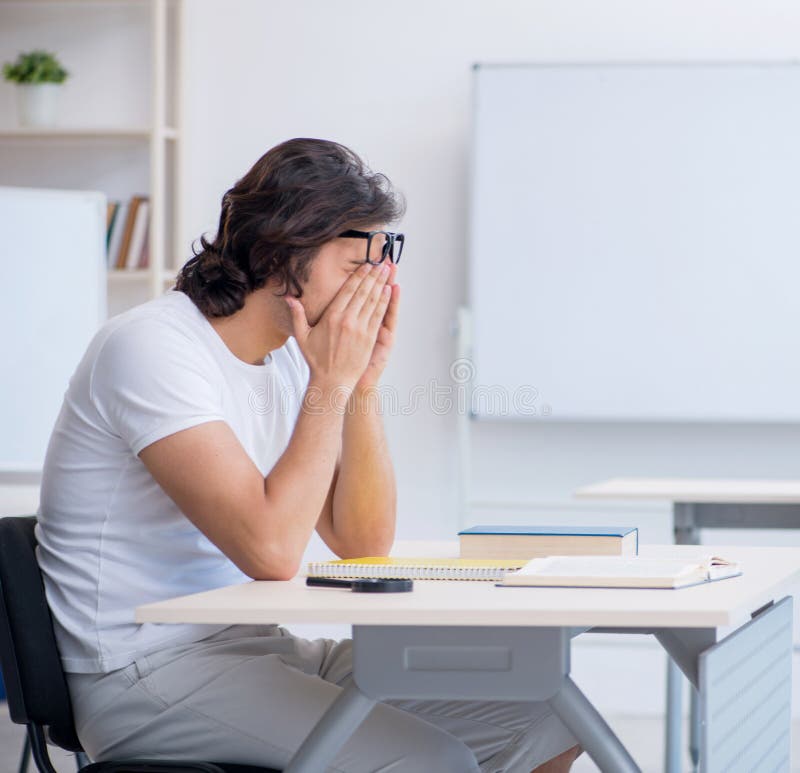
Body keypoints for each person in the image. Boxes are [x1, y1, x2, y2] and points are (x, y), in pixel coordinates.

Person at [35, 137, 582, 772]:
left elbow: (364, 544)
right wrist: (328, 385)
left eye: (382, 265)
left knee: (540, 713)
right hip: (144, 674)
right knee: (433, 760)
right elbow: (270, 552)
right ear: (279, 255)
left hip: (259, 647)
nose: (374, 287)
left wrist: (360, 383)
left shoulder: (294, 359)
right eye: (356, 266)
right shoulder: (152, 348)